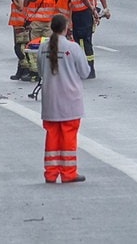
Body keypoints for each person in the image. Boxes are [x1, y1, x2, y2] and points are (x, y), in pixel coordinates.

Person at [39, 14, 90, 184]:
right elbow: (85, 72)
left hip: (50, 101)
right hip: (70, 101)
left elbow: (40, 71)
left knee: (52, 137)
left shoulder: (43, 47)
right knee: (69, 138)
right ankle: (68, 173)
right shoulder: (73, 48)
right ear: (65, 28)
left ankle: (51, 173)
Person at [67, 0, 101, 77]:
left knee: (82, 42)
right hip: (83, 13)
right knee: (85, 41)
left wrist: (92, 9)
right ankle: (88, 69)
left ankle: (88, 69)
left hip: (81, 13)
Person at [24, 0, 53, 82]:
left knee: (33, 48)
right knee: (48, 48)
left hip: (35, 23)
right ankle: (48, 71)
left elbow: (25, 4)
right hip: (48, 22)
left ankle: (35, 72)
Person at [9, 0, 33, 81]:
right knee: (21, 46)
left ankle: (25, 68)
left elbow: (20, 6)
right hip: (20, 22)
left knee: (19, 47)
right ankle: (20, 71)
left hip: (20, 23)